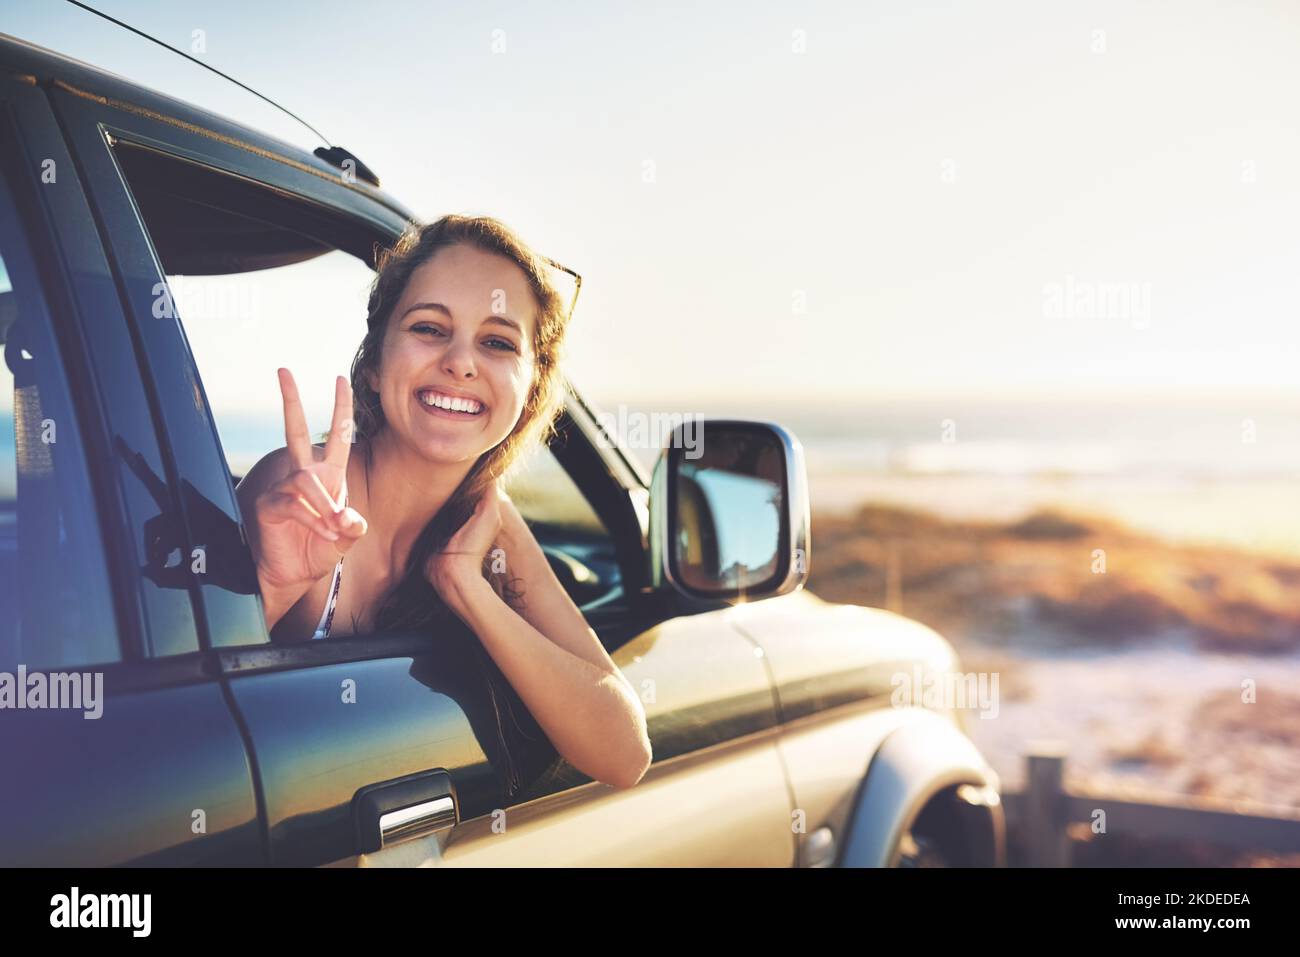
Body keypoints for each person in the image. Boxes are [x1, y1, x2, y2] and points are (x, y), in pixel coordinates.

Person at [234, 215, 651, 791]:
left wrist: (466, 587)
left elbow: (624, 754)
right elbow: (176, 719)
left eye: (497, 341)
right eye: (430, 328)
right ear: (374, 365)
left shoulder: (489, 521)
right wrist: (274, 588)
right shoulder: (301, 489)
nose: (461, 362)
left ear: (531, 390)